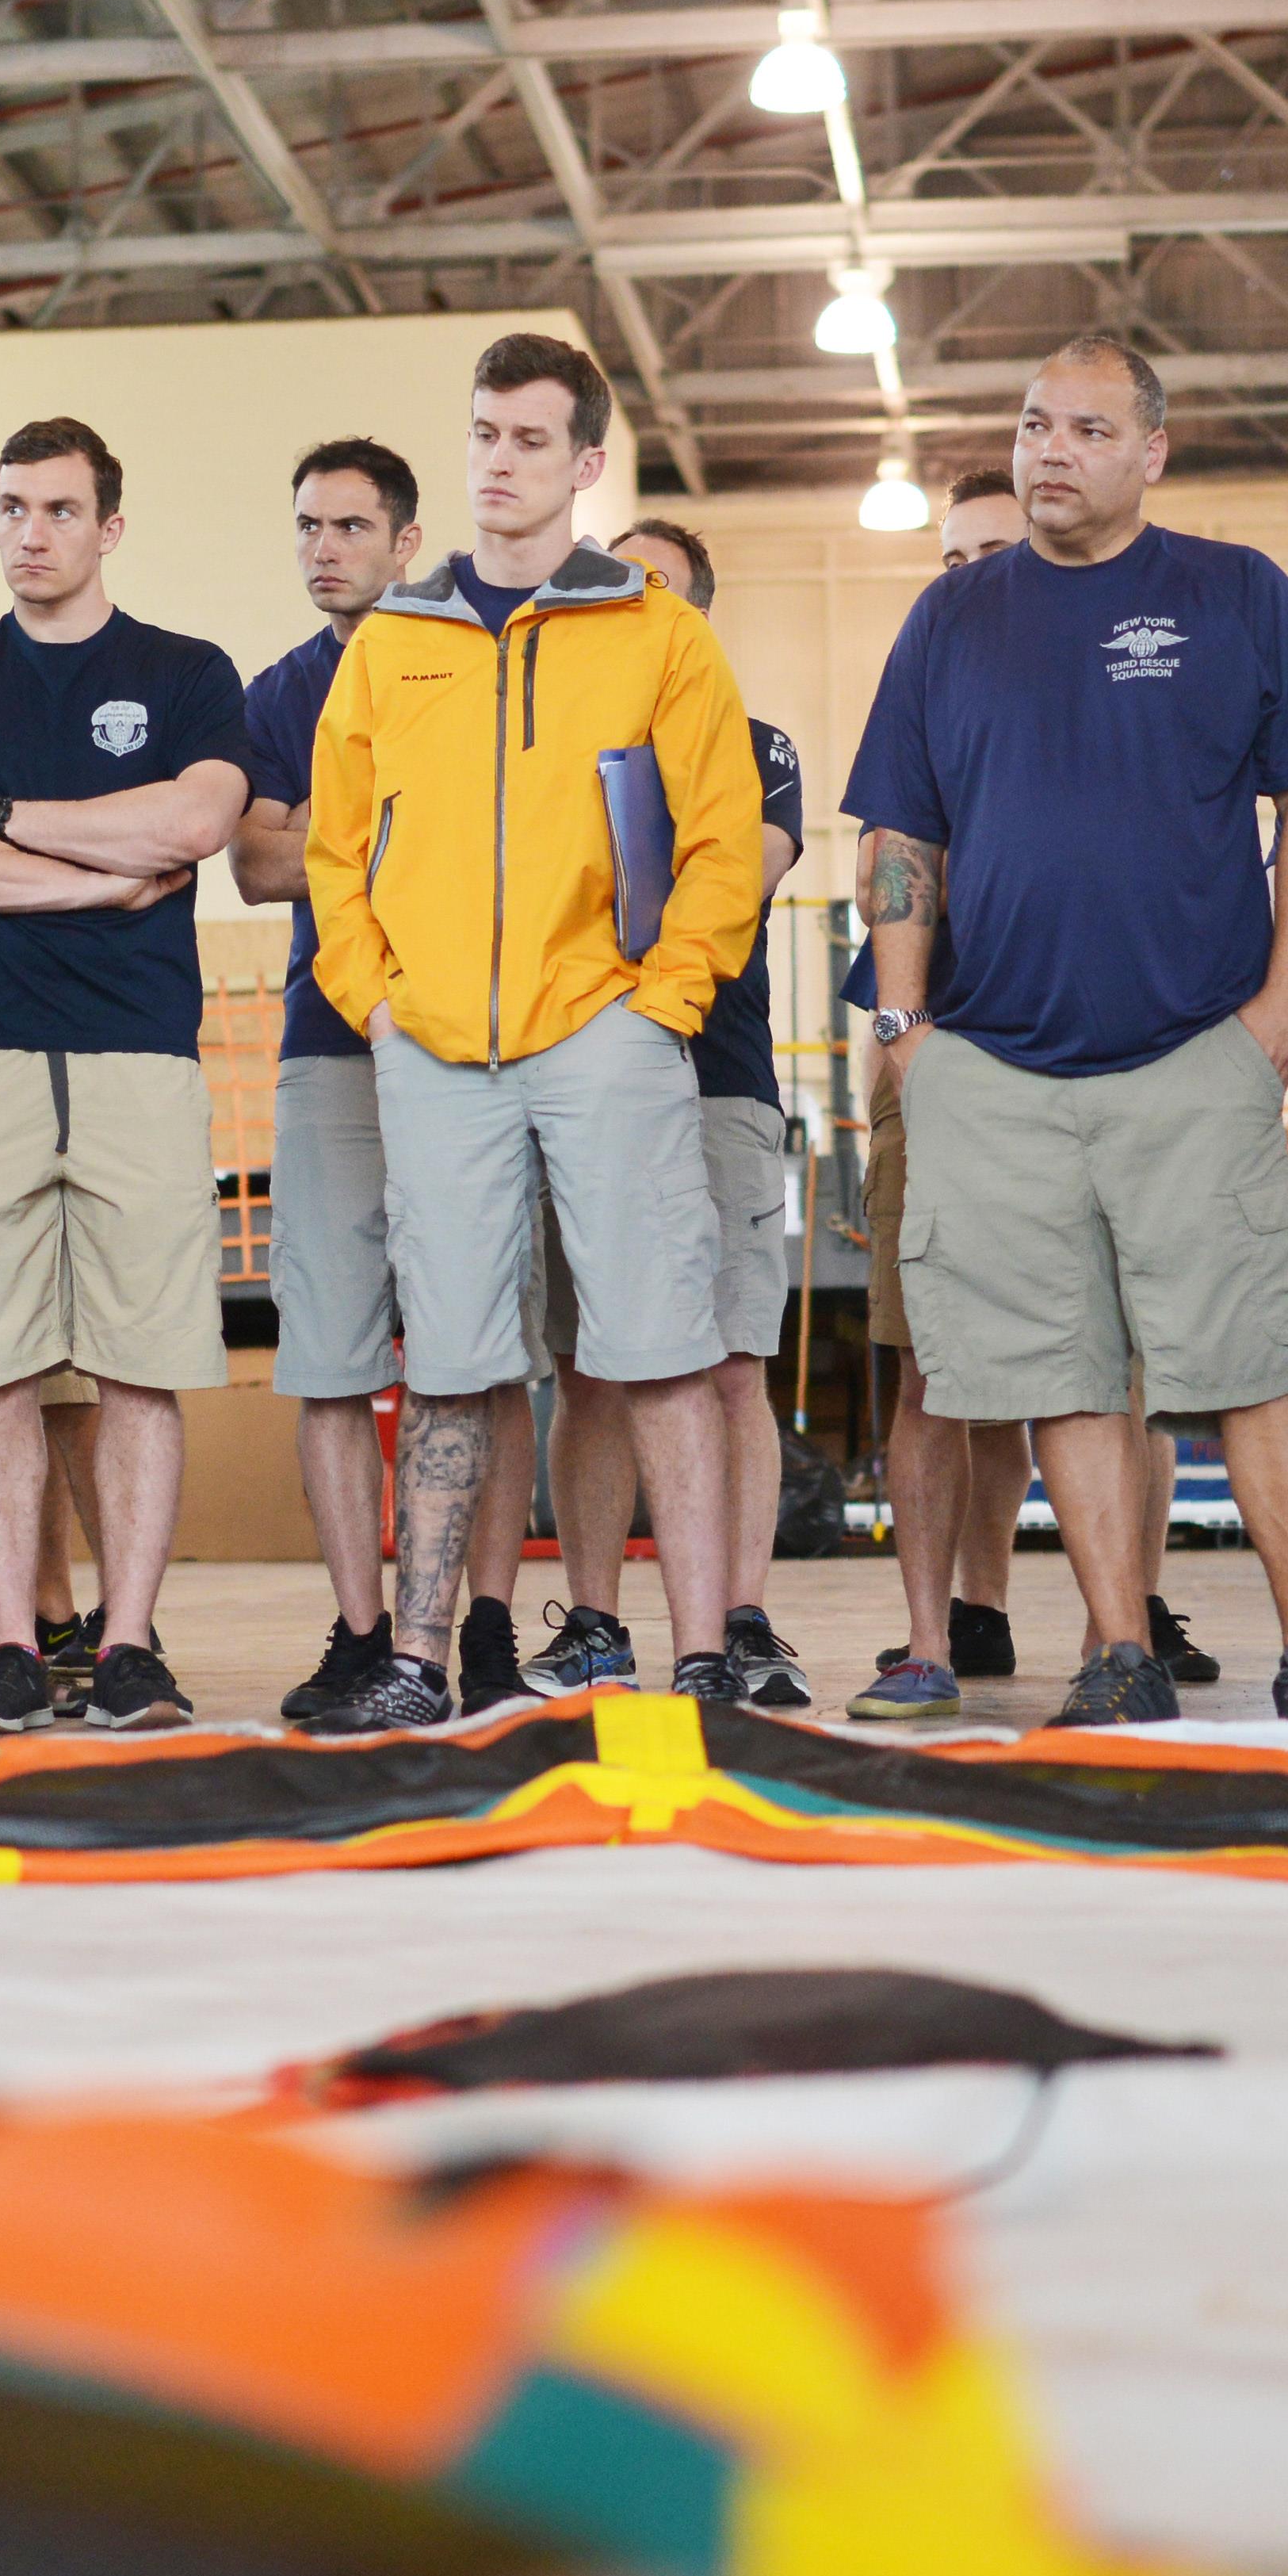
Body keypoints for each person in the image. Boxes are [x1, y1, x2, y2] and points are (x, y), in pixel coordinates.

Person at [854, 336, 1288, 1723]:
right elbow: (901, 828)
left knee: (1254, 1354)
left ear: (1151, 454)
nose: (1049, 451)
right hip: (994, 1067)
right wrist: (905, 1024)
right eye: (1031, 426)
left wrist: (1286, 1000)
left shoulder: (1235, 593)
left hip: (1196, 1048)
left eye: (1084, 428)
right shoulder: (951, 621)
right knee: (1061, 1371)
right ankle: (1119, 1650)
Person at [301, 331, 769, 1728]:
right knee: (448, 1366)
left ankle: (698, 1661)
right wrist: (376, 1001)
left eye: (526, 441)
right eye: (482, 435)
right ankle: (418, 1665)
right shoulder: (393, 641)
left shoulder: (657, 633)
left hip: (606, 1036)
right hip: (434, 1048)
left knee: (659, 1349)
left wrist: (663, 1000)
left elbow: (723, 844)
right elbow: (334, 851)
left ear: (582, 464)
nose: (498, 462)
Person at [0, 421, 250, 1732]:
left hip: (141, 1056)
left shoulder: (189, 671)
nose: (32, 533)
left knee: (140, 1366)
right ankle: (14, 1646)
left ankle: (130, 1643)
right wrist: (97, 876)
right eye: (12, 508)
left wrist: (7, 820)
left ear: (110, 528)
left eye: (60, 510)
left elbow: (195, 823)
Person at [243, 434, 535, 1723]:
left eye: (351, 528)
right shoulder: (277, 690)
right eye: (308, 526)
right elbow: (254, 868)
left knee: (479, 1349)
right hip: (330, 1042)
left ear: (409, 542)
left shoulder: (468, 662)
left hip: (478, 1040)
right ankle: (363, 1632)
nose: (325, 550)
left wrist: (341, 834)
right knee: (327, 1354)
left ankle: (480, 1625)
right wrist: (394, 838)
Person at [529, 512, 815, 1709]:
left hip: (714, 1084)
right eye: (611, 579)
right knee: (588, 1369)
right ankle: (593, 1620)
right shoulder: (535, 733)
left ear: (693, 612)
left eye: (654, 584)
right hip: (569, 1077)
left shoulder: (754, 743)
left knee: (732, 1369)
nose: (626, 597)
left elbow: (729, 875)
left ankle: (739, 1621)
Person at [850, 469, 1041, 1719]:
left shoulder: (1081, 694)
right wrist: (899, 1036)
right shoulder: (918, 683)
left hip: (1065, 1058)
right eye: (951, 555)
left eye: (992, 553)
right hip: (929, 1052)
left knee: (1057, 1374)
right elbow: (884, 861)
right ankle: (929, 1633)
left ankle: (999, 1606)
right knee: (923, 1367)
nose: (967, 575)